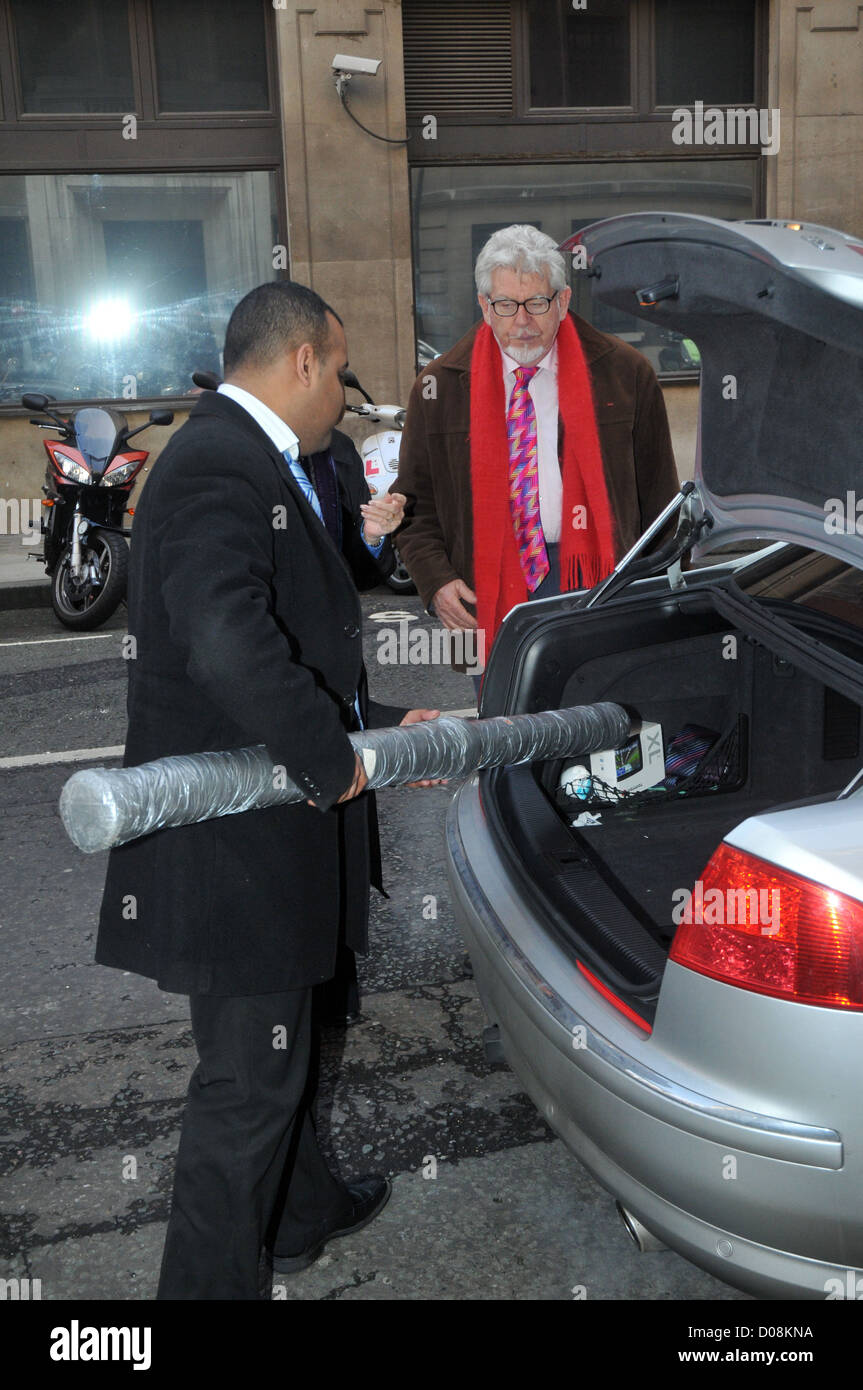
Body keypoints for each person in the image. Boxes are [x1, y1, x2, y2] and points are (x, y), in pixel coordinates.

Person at [95, 280, 437, 1300]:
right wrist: (335, 761)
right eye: (339, 368)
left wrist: (374, 732)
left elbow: (293, 643)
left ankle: (299, 1212)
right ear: (299, 360)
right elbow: (224, 643)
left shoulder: (259, 457)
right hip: (234, 846)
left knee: (296, 1034)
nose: (343, 389)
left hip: (269, 829)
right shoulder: (214, 464)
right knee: (245, 1084)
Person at [393, 224, 682, 674]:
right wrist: (437, 583)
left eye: (537, 304)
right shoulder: (440, 386)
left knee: (599, 726)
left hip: (598, 585)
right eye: (506, 306)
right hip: (484, 592)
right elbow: (413, 506)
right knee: (507, 733)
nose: (522, 322)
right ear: (485, 307)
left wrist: (655, 605)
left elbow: (662, 507)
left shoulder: (625, 375)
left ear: (563, 302)